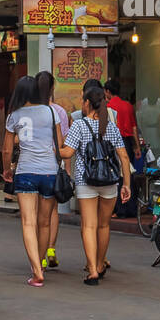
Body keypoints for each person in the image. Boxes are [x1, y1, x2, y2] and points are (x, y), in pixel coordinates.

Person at [59, 83, 130, 285]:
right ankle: (100, 263)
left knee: (89, 226)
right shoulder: (111, 126)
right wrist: (127, 184)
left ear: (88, 103)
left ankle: (92, 270)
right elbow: (124, 157)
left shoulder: (80, 125)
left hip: (86, 181)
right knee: (104, 225)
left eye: (83, 101)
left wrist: (52, 146)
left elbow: (67, 153)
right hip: (110, 181)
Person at [3, 75, 62, 287]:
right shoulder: (50, 111)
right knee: (44, 221)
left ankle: (37, 271)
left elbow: (8, 148)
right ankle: (42, 263)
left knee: (28, 222)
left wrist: (6, 170)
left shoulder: (14, 115)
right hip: (49, 171)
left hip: (26, 171)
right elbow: (59, 144)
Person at [36, 71, 70, 271]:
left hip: (32, 166)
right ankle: (50, 249)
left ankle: (38, 257)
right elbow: (63, 142)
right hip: (53, 165)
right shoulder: (59, 112)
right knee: (52, 211)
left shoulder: (29, 110)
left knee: (37, 213)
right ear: (52, 88)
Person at [104, 78, 142, 166]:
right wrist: (137, 147)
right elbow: (134, 128)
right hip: (127, 143)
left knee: (115, 171)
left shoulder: (107, 107)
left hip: (112, 144)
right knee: (128, 169)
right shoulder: (128, 106)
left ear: (108, 91)